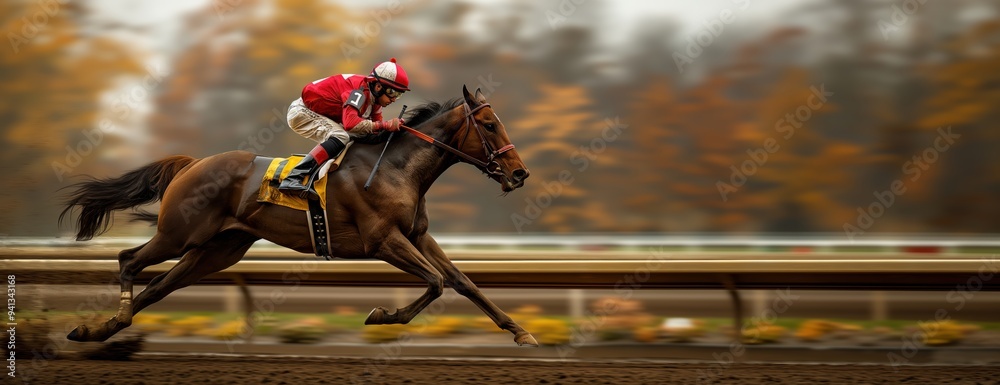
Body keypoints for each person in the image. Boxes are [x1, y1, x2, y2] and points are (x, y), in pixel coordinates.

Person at [277, 58, 410, 199]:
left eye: (399, 94)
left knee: (362, 136)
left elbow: (377, 131)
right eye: (392, 92)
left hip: (320, 113)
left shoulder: (375, 101)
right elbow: (351, 124)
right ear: (378, 87)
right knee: (341, 136)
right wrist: (386, 125)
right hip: (302, 112)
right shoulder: (358, 92)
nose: (394, 99)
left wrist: (394, 129)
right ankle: (294, 177)